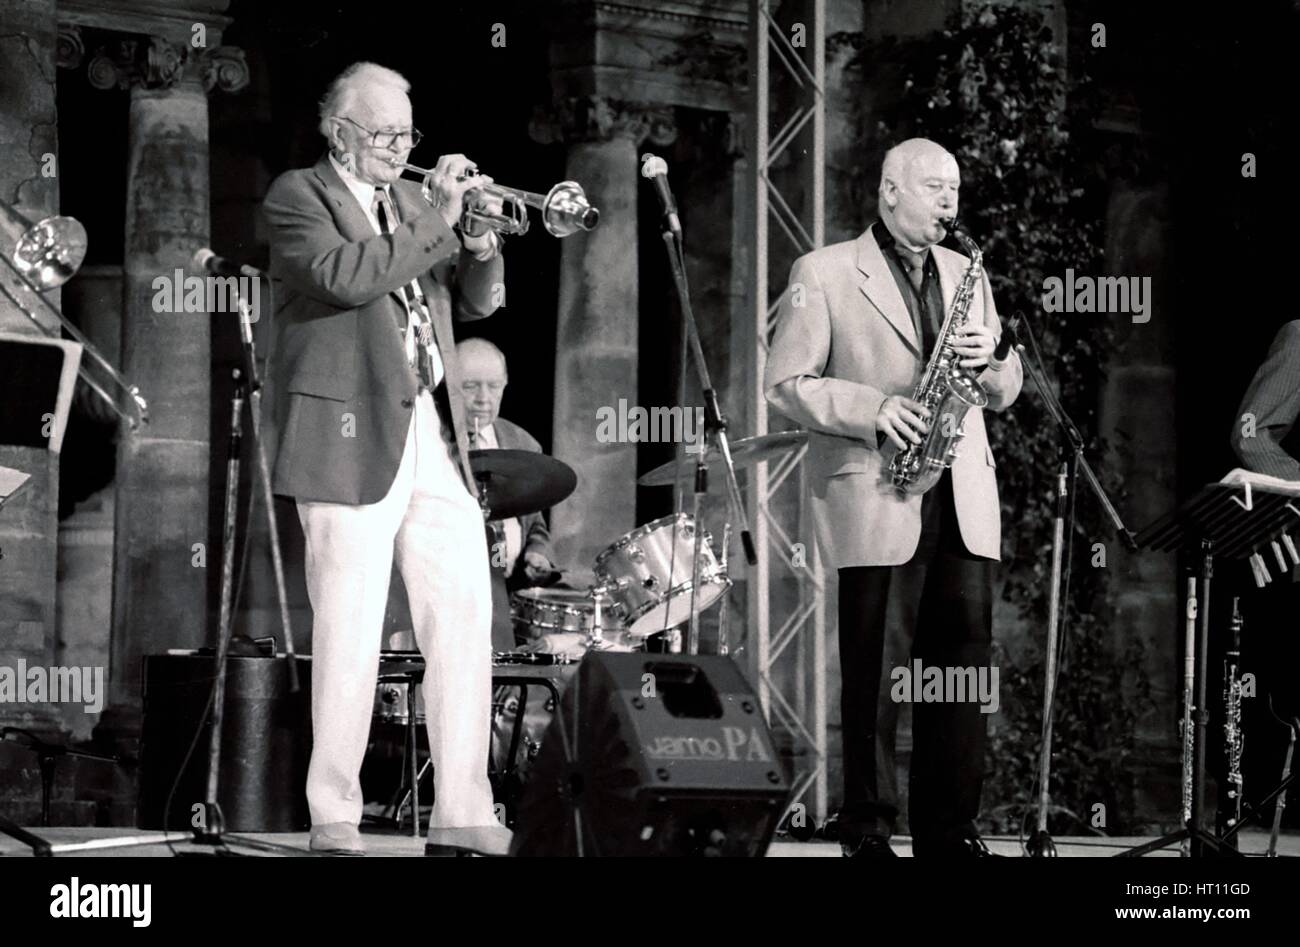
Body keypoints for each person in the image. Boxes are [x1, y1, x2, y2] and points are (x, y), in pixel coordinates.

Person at [263, 61, 509, 856]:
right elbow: (348, 277)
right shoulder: (297, 195)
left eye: (408, 133)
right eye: (384, 134)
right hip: (344, 427)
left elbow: (476, 303)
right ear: (340, 132)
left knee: (465, 610)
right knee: (349, 620)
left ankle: (465, 807)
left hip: (428, 432)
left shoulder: (412, 204)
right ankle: (333, 812)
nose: (399, 148)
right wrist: (436, 220)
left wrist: (476, 240)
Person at [765, 138, 1022, 857]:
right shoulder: (822, 272)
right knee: (875, 674)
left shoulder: (968, 272)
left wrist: (996, 361)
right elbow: (786, 384)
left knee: (961, 671)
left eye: (956, 190)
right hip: (877, 489)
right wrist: (874, 408)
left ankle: (948, 830)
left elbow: (1006, 390)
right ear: (888, 190)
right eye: (936, 187)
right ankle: (867, 827)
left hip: (961, 491)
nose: (950, 202)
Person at [457, 337, 557, 589]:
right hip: (451, 584)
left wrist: (538, 551)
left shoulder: (524, 444)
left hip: (510, 587)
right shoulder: (430, 437)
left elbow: (534, 522)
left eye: (494, 386)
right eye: (470, 386)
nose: (483, 398)